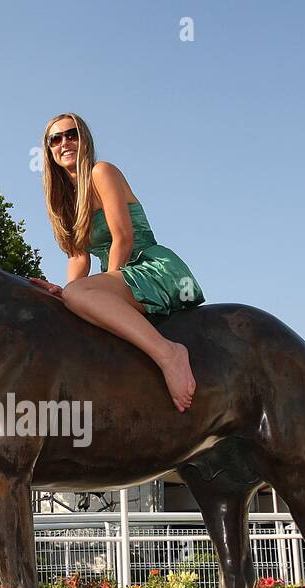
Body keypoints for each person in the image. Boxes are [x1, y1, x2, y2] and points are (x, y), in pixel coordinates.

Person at [29, 113, 206, 412]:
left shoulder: (102, 172)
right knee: (67, 300)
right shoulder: (64, 201)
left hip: (149, 266)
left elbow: (122, 237)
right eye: (55, 139)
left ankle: (169, 354)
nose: (65, 143)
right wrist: (67, 295)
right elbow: (78, 256)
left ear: (84, 139)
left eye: (72, 134)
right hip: (115, 276)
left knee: (78, 295)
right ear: (48, 150)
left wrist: (95, 288)